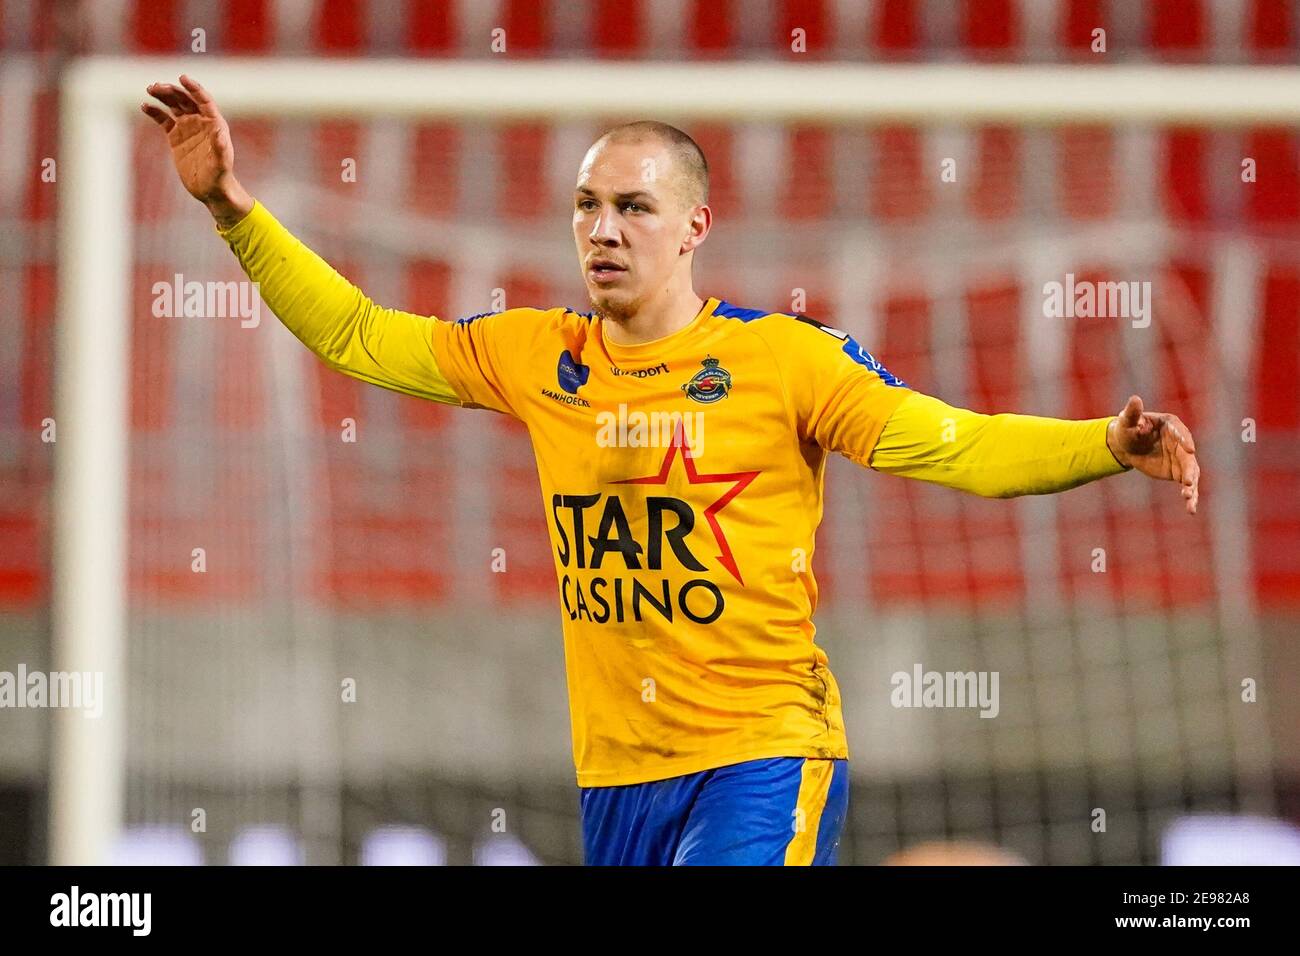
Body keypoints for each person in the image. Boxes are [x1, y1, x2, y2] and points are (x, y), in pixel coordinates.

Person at [142, 75, 1201, 866]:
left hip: (762, 753)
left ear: (694, 227)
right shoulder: (534, 353)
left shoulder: (782, 360)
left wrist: (1100, 445)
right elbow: (360, 337)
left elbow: (955, 447)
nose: (602, 229)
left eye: (633, 207)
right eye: (586, 204)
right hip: (617, 777)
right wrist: (233, 210)